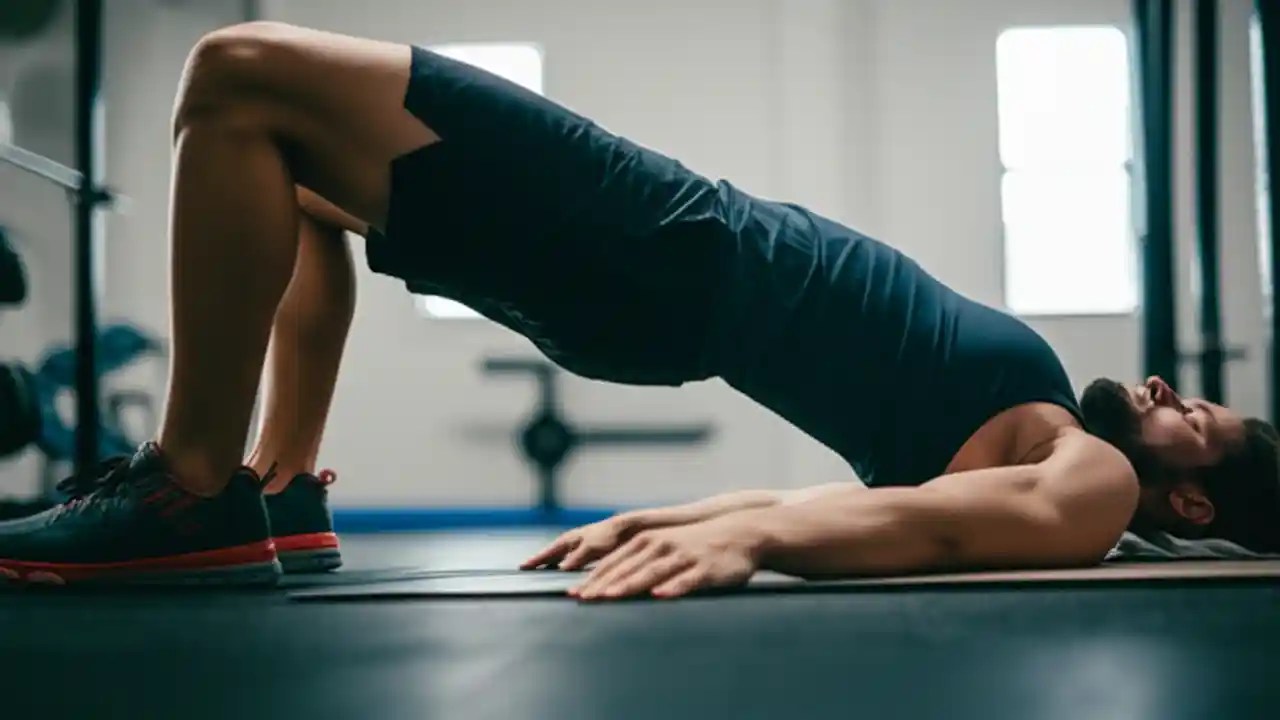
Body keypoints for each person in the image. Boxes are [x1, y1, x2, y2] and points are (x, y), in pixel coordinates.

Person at [0, 22, 1275, 595]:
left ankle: (188, 487)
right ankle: (275, 487)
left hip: (670, 246)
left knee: (237, 70)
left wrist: (752, 549)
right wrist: (697, 514)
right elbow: (887, 508)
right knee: (288, 175)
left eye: (1194, 423)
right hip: (663, 269)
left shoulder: (1092, 488)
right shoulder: (1045, 441)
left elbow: (937, 533)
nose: (1162, 393)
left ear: (1193, 503)